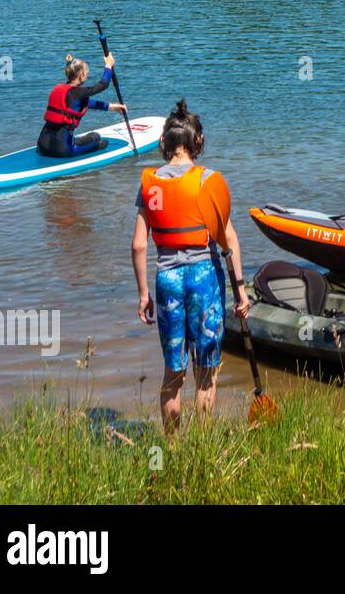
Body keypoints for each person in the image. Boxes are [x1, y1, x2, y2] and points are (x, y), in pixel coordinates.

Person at [131, 99, 249, 436]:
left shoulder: (149, 184)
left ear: (164, 145)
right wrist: (241, 291)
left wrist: (143, 295)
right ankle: (203, 448)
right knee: (206, 371)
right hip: (204, 279)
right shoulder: (208, 180)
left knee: (173, 373)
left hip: (167, 279)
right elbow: (229, 241)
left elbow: (139, 245)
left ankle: (172, 448)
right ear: (198, 142)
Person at [37, 53, 127, 158]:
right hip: (63, 150)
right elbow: (103, 85)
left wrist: (112, 107)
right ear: (81, 74)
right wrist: (108, 65)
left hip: (42, 146)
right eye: (86, 72)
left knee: (83, 138)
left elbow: (88, 103)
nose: (87, 74)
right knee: (97, 138)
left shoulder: (61, 90)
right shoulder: (79, 92)